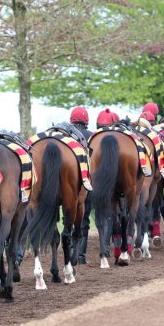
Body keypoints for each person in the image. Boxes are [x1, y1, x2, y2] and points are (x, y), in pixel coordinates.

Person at [69, 107, 93, 264]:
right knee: (84, 218)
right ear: (86, 121)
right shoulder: (92, 136)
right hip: (87, 182)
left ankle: (69, 249)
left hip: (67, 183)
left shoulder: (65, 136)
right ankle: (81, 255)